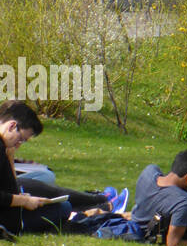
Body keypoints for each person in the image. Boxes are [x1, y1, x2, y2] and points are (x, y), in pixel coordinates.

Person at [0, 101, 126, 237]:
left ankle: (103, 205)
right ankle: (104, 205)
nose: (18, 145)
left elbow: (10, 186)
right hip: (8, 220)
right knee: (63, 207)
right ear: (12, 126)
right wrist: (24, 201)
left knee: (59, 203)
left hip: (10, 210)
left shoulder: (4, 147)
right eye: (21, 139)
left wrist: (10, 158)